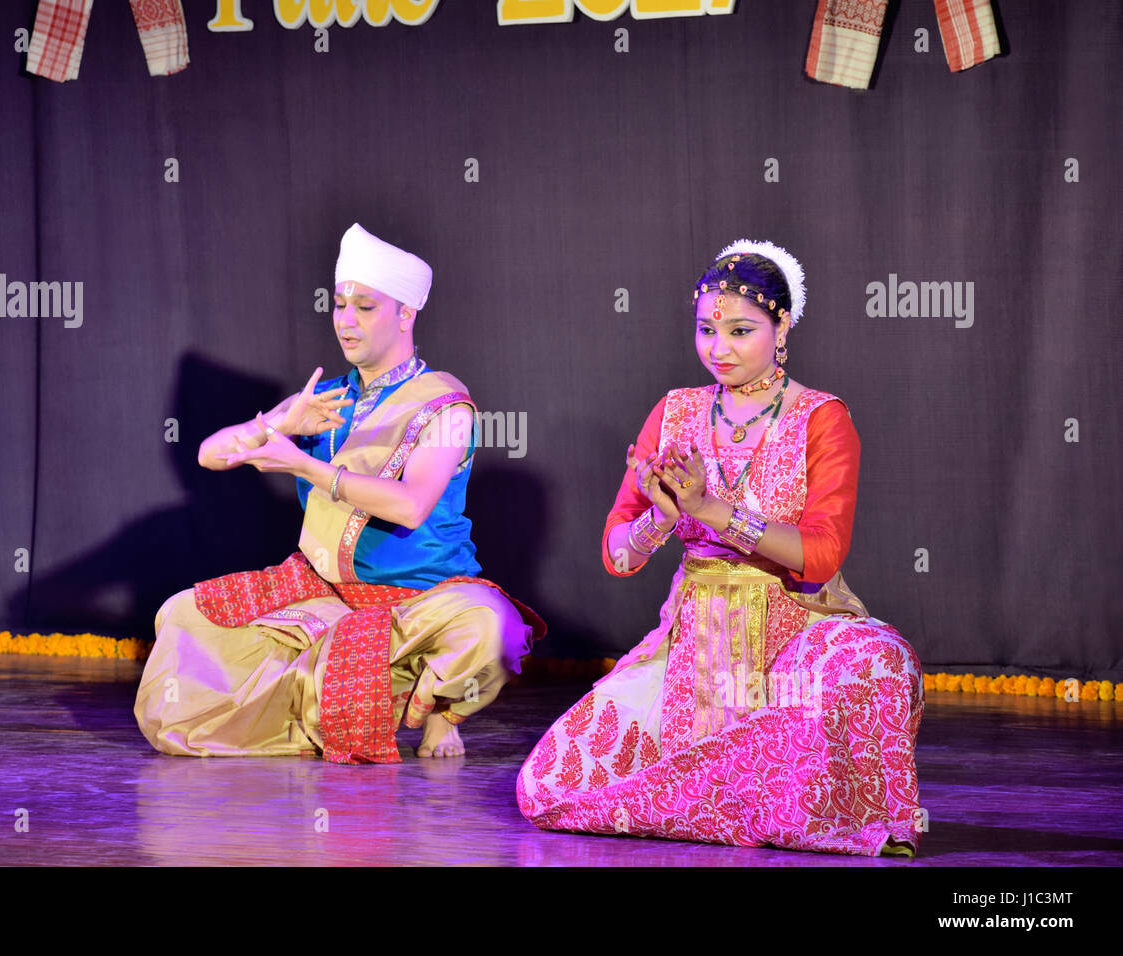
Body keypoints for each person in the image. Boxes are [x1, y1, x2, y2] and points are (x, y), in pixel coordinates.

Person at [516, 239, 924, 857]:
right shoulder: (674, 412)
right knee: (545, 788)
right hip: (690, 643)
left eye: (740, 330)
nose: (719, 348)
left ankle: (743, 797)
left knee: (878, 664)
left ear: (782, 324)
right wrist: (664, 516)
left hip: (795, 632)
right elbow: (618, 555)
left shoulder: (821, 418)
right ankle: (760, 803)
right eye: (706, 330)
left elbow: (820, 556)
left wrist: (715, 512)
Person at [135, 223, 543, 763]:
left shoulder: (446, 405)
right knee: (183, 616)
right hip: (324, 597)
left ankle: (439, 715)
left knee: (495, 629)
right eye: (339, 304)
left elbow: (411, 505)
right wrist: (277, 423)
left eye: (365, 307)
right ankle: (333, 697)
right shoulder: (325, 401)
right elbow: (212, 454)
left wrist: (303, 464)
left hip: (423, 606)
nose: (346, 321)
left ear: (405, 314)